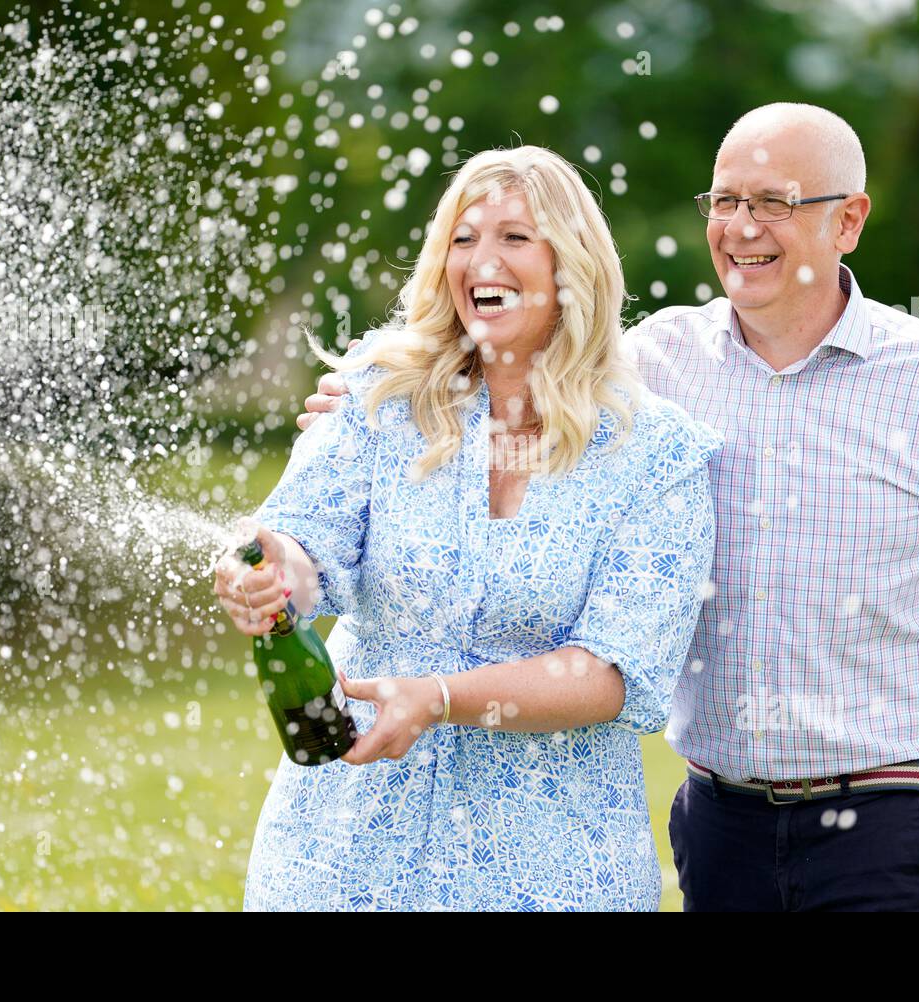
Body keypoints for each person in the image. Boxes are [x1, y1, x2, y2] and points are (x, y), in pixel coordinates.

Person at [304, 105, 919, 912]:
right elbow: (512, 370)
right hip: (721, 828)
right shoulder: (648, 367)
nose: (741, 227)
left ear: (849, 221)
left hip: (892, 828)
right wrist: (369, 395)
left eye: (774, 203)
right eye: (725, 201)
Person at [216, 145, 722, 911]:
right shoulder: (379, 395)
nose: (482, 261)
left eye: (515, 237)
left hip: (551, 866)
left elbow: (615, 672)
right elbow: (304, 538)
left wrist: (441, 696)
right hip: (347, 854)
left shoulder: (654, 452)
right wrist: (272, 571)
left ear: (571, 264)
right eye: (462, 238)